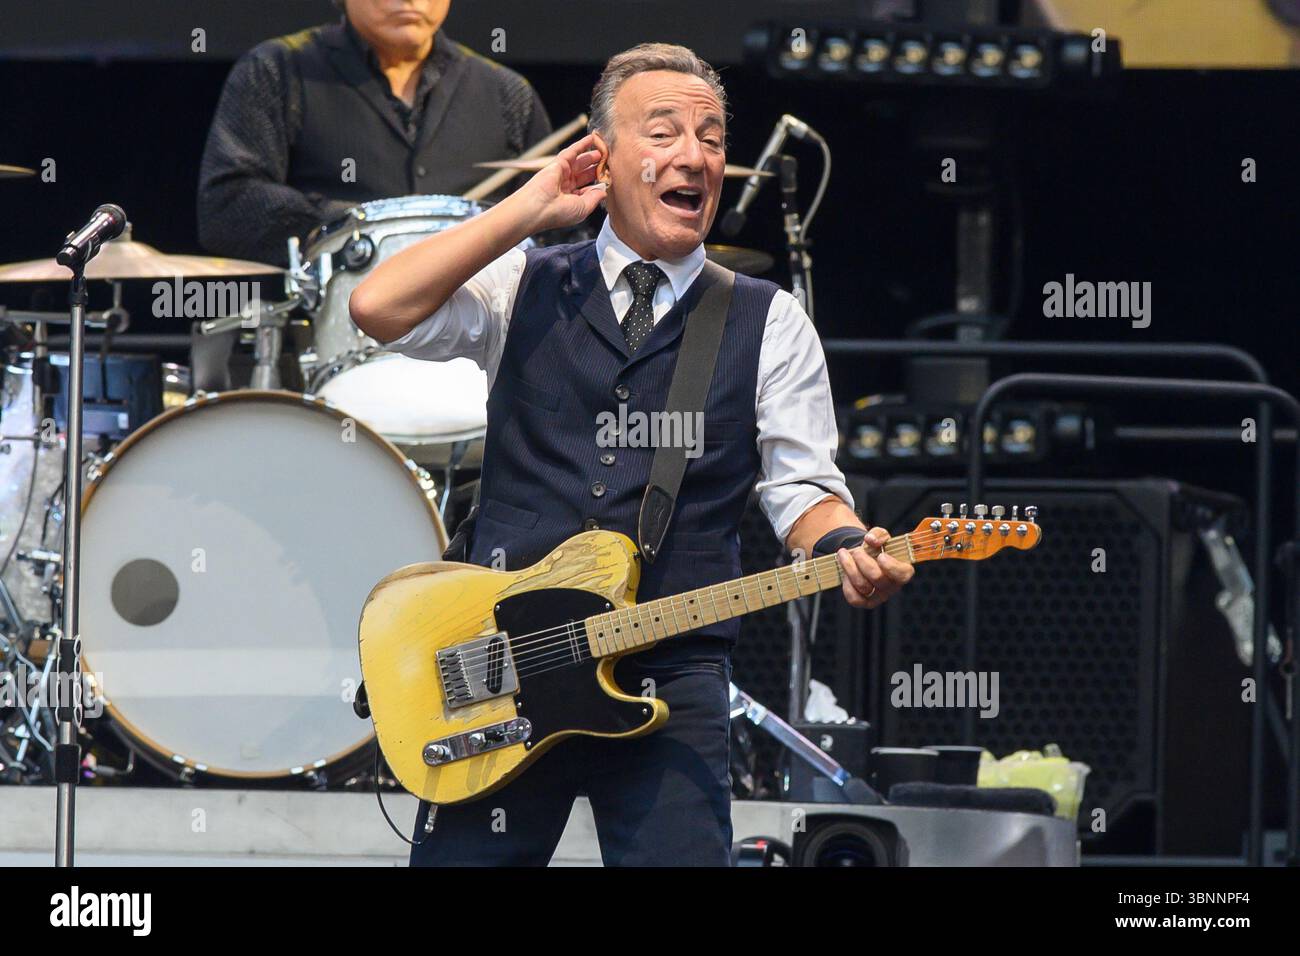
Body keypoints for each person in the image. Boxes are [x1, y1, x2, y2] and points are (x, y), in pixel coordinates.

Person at [350, 43, 915, 866]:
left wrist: (845, 548)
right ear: (602, 162)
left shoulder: (769, 322)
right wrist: (529, 206)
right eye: (665, 132)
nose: (696, 155)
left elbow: (805, 493)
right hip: (505, 661)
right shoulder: (525, 283)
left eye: (714, 138)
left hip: (670, 676)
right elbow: (376, 306)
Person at [197, 0, 552, 266]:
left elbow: (555, 232)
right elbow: (228, 205)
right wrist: (362, 228)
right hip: (330, 339)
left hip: (481, 339)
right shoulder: (277, 69)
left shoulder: (507, 93)